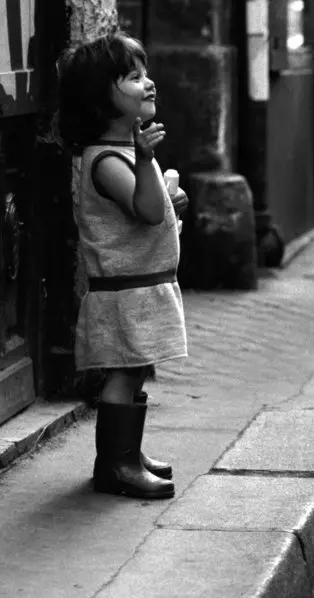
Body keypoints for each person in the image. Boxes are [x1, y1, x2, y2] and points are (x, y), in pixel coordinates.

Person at [55, 32, 189, 500]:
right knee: (125, 373)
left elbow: (155, 207)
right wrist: (151, 165)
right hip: (123, 290)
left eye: (145, 72)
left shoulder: (125, 153)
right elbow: (148, 211)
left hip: (141, 286)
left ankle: (128, 451)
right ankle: (115, 464)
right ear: (101, 99)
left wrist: (170, 196)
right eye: (133, 77)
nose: (147, 83)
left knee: (137, 368)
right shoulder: (107, 160)